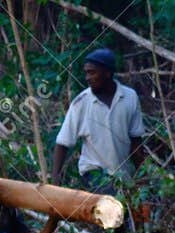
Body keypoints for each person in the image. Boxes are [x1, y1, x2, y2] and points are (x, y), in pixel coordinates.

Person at [51, 48, 146, 193]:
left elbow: (136, 142)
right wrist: (55, 181)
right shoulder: (81, 103)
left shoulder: (129, 97)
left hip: (123, 177)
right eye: (86, 73)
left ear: (107, 73)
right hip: (94, 175)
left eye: (92, 72)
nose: (87, 77)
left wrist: (144, 176)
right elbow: (63, 142)